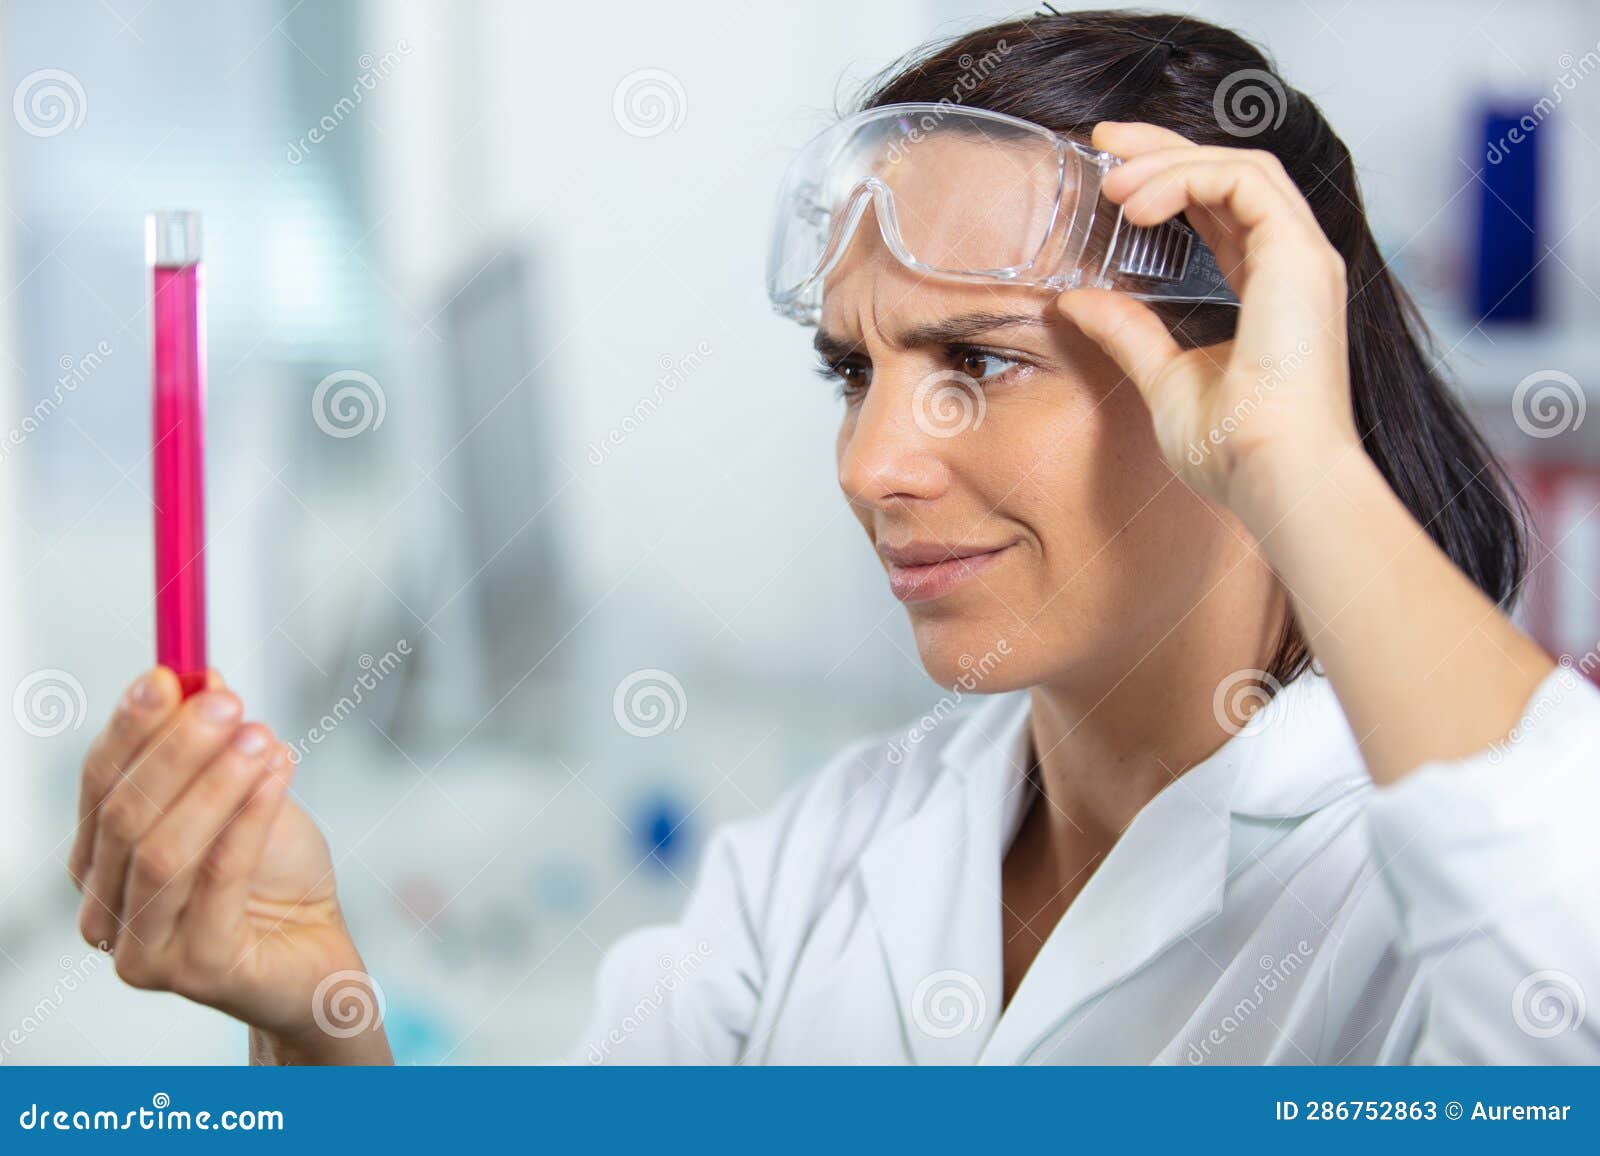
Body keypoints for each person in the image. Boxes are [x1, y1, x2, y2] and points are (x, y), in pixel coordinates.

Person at [68, 10, 1600, 1064]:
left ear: (1238, 374)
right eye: (855, 371)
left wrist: (1301, 462)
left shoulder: (1399, 899)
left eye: (979, 363)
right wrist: (316, 1010)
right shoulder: (831, 857)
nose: (871, 465)